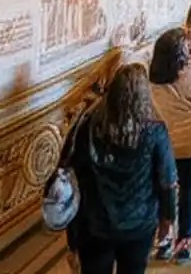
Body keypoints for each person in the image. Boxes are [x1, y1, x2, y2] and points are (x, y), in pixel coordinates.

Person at [68, 63, 177, 274]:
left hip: (96, 224)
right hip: (139, 224)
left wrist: (73, 236)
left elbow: (78, 178)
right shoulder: (155, 132)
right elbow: (168, 181)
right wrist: (167, 219)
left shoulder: (89, 126)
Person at [148, 28, 191, 263]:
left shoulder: (151, 78)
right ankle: (185, 241)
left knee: (163, 192)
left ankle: (164, 239)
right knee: (188, 192)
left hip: (162, 144)